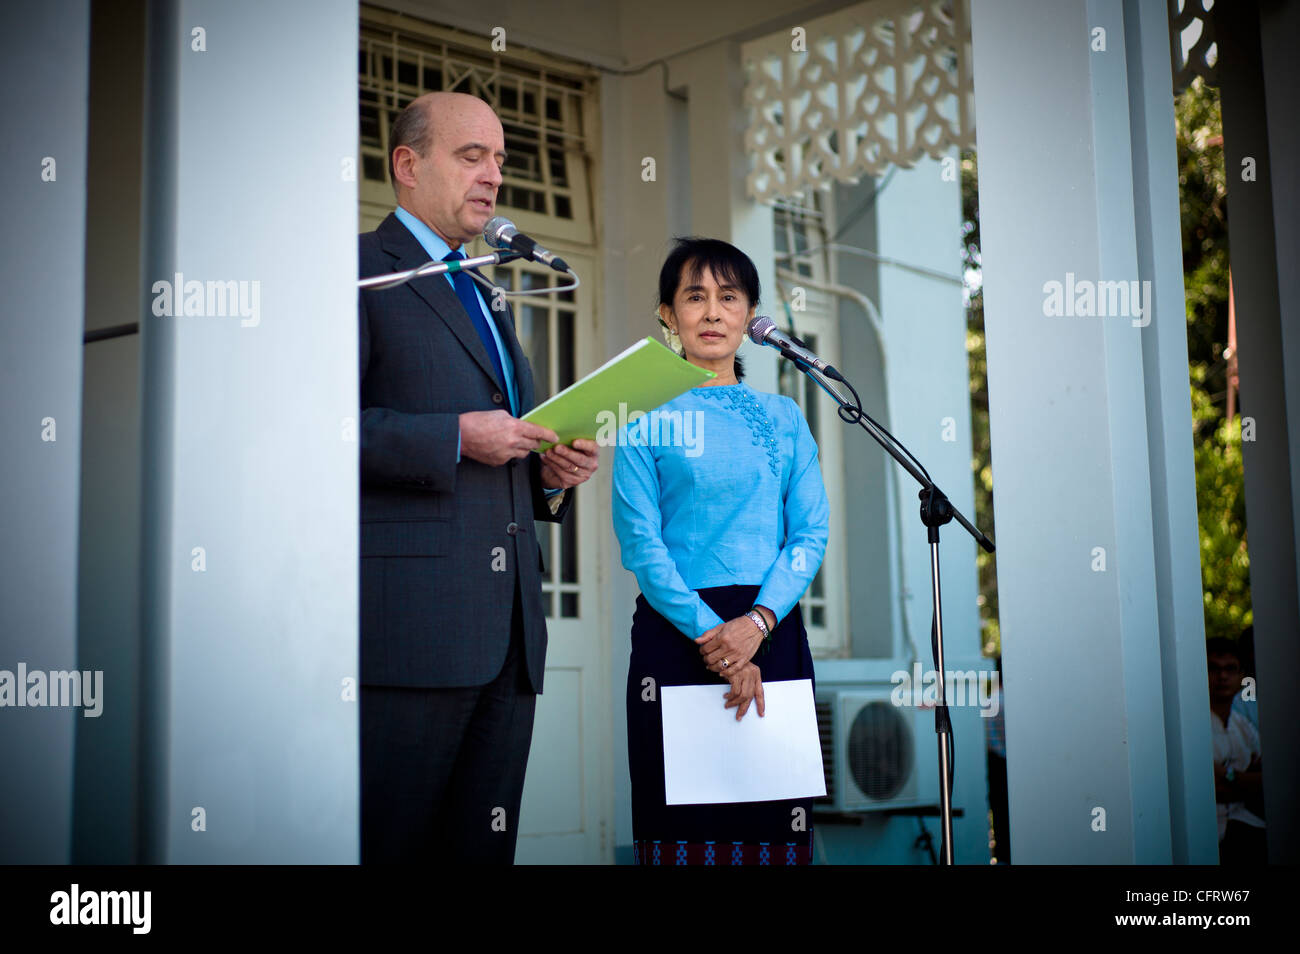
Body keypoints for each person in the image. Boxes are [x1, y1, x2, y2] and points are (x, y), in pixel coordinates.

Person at [357, 92, 598, 863]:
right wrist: (455, 438)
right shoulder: (359, 270)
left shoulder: (489, 290)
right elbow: (315, 432)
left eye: (499, 159)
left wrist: (553, 475)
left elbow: (510, 450)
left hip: (510, 638)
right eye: (472, 156)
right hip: (411, 634)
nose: (493, 175)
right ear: (407, 164)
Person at [612, 237, 830, 865]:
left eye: (728, 297)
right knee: (683, 834)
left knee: (773, 835)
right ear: (667, 313)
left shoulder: (785, 416)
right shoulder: (639, 413)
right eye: (695, 296)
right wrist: (721, 642)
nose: (712, 312)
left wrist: (757, 624)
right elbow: (642, 545)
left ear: (750, 314)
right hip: (677, 636)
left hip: (773, 630)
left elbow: (808, 532)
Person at [1206, 637, 1266, 864]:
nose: (1222, 677)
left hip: (1247, 826)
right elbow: (1207, 790)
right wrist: (1247, 783)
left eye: (1230, 669)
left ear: (1242, 676)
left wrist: (1228, 776)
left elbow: (1270, 781)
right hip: (1206, 830)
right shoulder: (1188, 729)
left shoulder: (1243, 725)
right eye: (1213, 668)